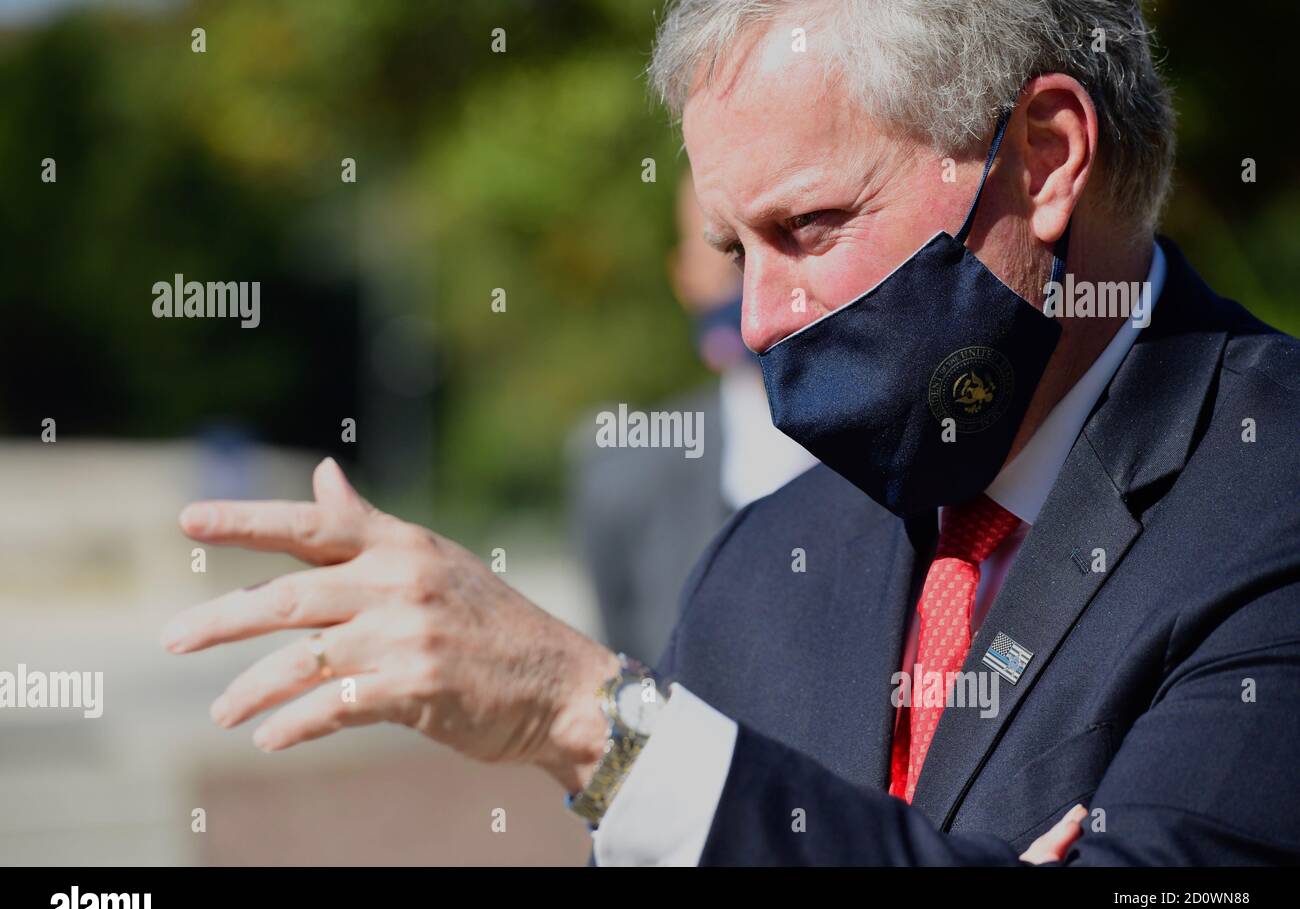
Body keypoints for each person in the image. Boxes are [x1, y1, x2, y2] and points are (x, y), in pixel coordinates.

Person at [162, 0, 1300, 865]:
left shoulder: (1268, 492)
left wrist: (589, 720)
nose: (757, 320)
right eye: (729, 250)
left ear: (1046, 155)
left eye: (807, 225)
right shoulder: (761, 567)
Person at [569, 167, 814, 668]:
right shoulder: (624, 483)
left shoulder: (916, 462)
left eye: (792, 230)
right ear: (684, 276)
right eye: (727, 252)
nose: (754, 279)